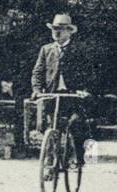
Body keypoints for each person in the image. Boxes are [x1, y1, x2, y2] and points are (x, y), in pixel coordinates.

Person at [30, 13, 91, 168]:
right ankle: (50, 161)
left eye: (61, 29)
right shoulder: (46, 50)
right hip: (52, 95)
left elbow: (89, 73)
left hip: (73, 95)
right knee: (52, 127)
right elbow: (38, 72)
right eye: (55, 29)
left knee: (76, 124)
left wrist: (85, 90)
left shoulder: (79, 50)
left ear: (69, 31)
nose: (57, 32)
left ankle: (79, 158)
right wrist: (36, 90)